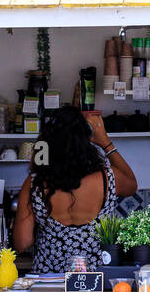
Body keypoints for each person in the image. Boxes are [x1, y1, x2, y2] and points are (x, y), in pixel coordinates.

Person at [12, 106, 138, 272]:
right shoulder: (107, 177)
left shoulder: (35, 182)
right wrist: (105, 142)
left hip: (49, 280)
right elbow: (132, 185)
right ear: (86, 140)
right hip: (95, 278)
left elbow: (22, 243)